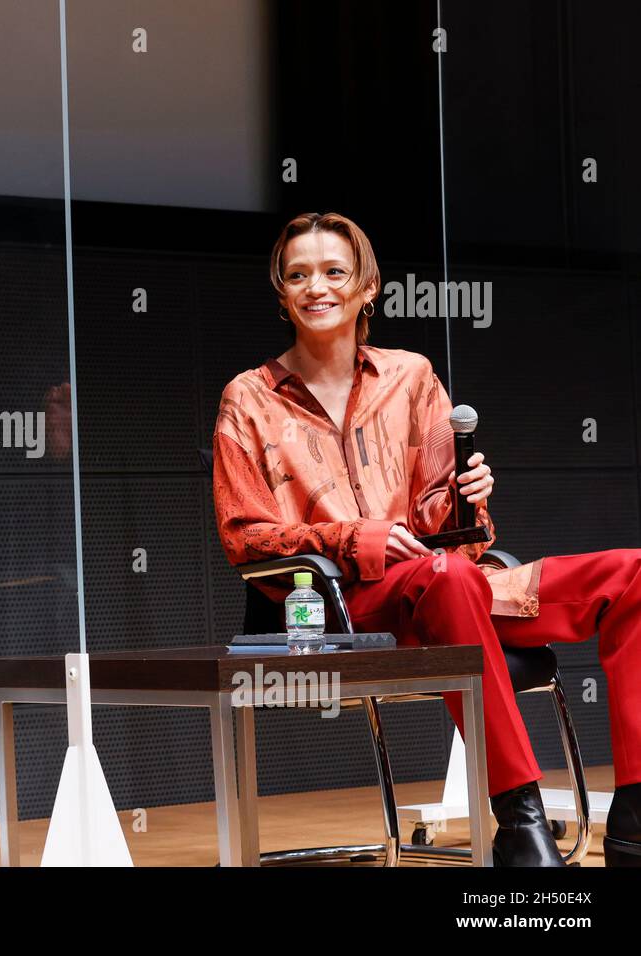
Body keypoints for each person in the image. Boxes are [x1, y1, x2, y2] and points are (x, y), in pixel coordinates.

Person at [211, 211, 641, 867]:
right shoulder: (249, 398)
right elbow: (246, 536)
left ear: (367, 287)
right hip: (342, 610)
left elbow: (452, 535)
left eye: (334, 271)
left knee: (630, 574)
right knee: (446, 578)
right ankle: (520, 818)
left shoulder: (411, 377)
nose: (316, 286)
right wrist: (357, 537)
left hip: (451, 589)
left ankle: (635, 816)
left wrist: (468, 503)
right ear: (281, 293)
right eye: (298, 275)